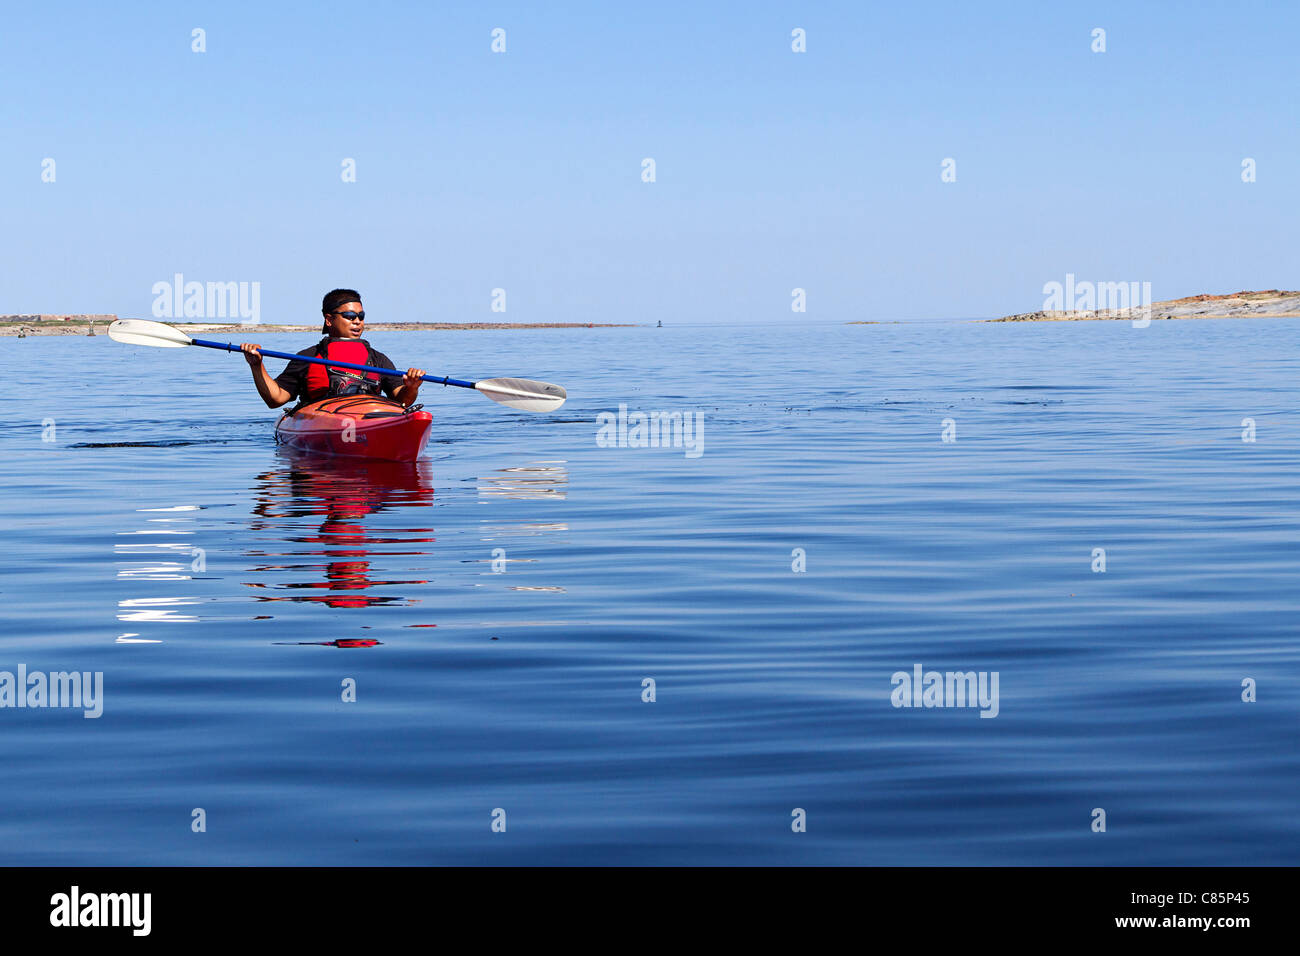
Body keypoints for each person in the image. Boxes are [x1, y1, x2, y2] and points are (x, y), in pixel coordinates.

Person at [240, 289, 426, 409]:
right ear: (329, 320)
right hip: (321, 418)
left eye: (361, 316)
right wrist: (257, 366)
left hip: (369, 418)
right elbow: (276, 399)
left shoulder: (378, 359)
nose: (357, 321)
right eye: (349, 315)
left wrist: (411, 388)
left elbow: (402, 402)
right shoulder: (308, 357)